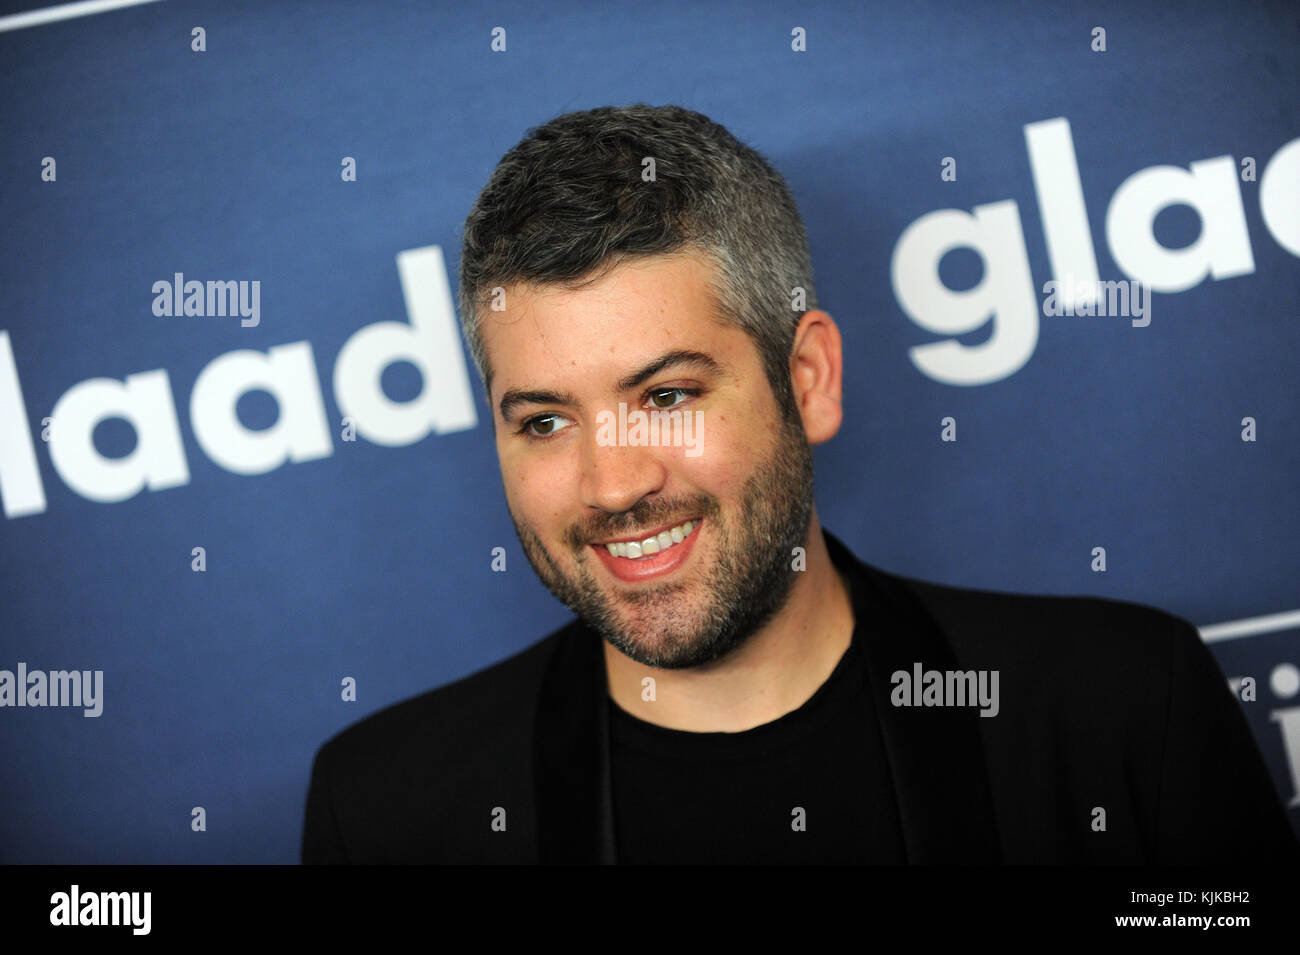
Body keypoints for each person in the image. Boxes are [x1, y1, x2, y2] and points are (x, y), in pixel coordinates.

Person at [302, 104, 1297, 864]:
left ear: (807, 379)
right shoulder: (389, 813)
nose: (611, 484)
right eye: (545, 420)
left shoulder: (1118, 709)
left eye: (667, 393)